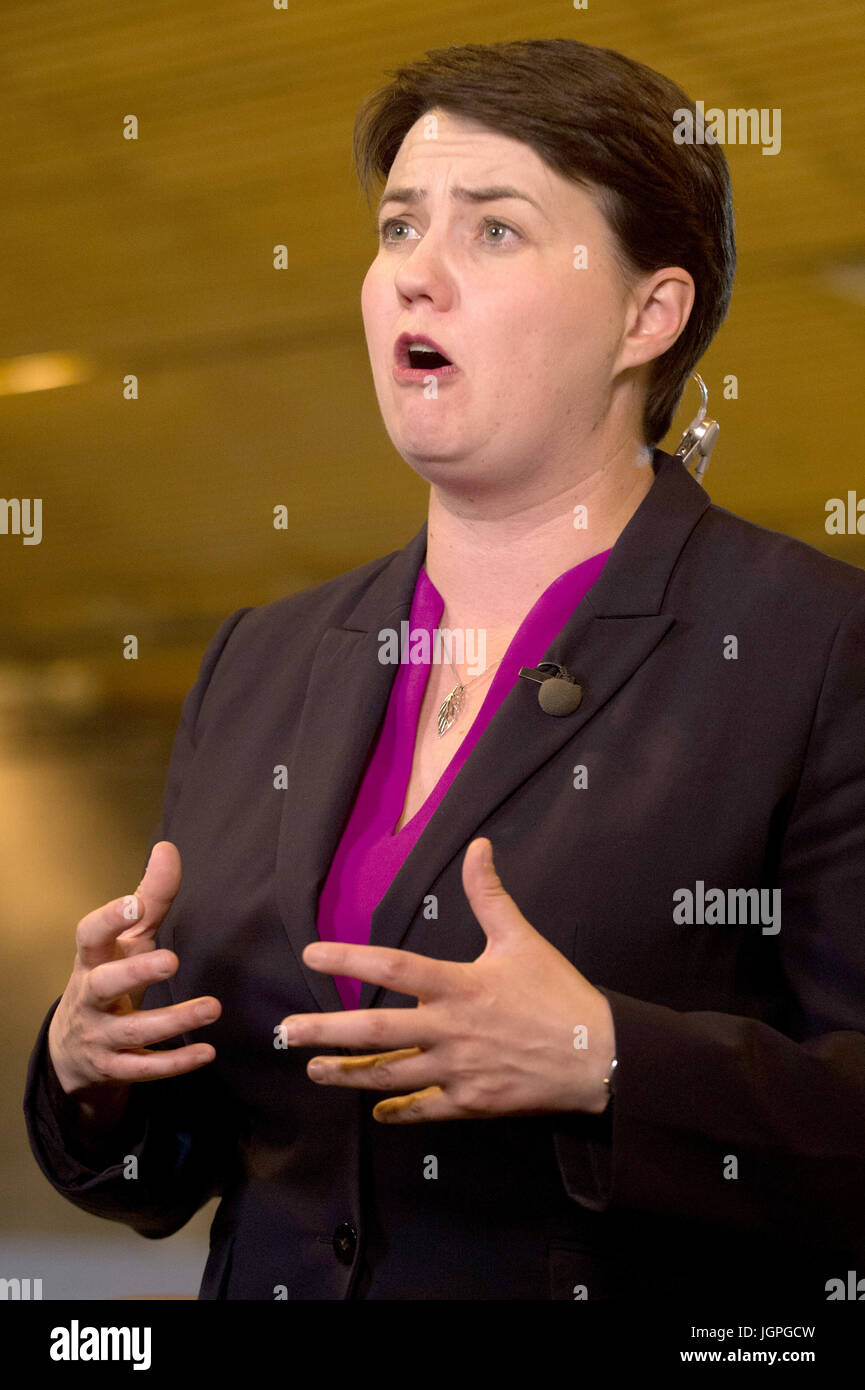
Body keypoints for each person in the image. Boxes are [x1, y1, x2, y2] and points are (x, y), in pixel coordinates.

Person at [24, 38, 865, 1302]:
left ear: (651, 313)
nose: (416, 273)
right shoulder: (263, 657)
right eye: (399, 225)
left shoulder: (815, 646)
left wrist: (604, 1057)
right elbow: (193, 1162)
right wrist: (92, 1069)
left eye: (495, 233)